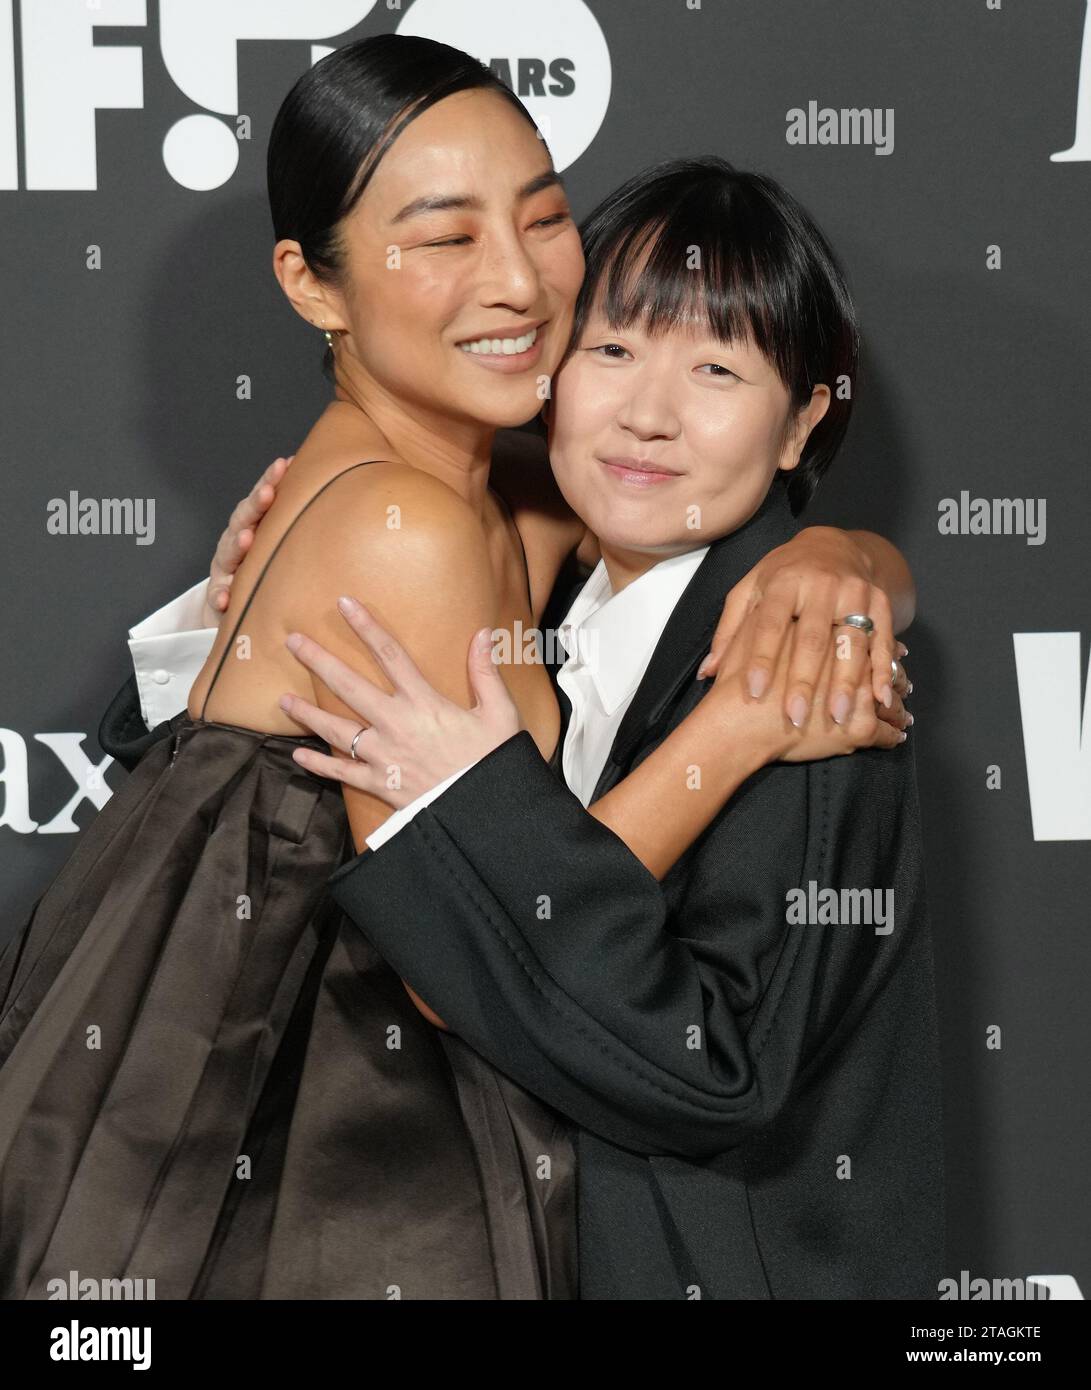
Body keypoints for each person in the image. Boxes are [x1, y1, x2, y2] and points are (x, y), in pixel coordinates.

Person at [0, 40, 908, 1301]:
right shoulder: (407, 527)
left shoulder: (516, 487)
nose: (518, 281)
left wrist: (848, 558)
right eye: (441, 236)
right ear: (313, 288)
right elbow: (487, 923)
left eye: (539, 217)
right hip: (303, 1151)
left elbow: (662, 502)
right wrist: (740, 728)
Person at [271, 158, 947, 1299]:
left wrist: (483, 807)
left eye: (717, 369)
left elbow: (713, 1069)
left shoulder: (804, 668)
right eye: (614, 350)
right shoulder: (500, 579)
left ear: (800, 425)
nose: (648, 414)